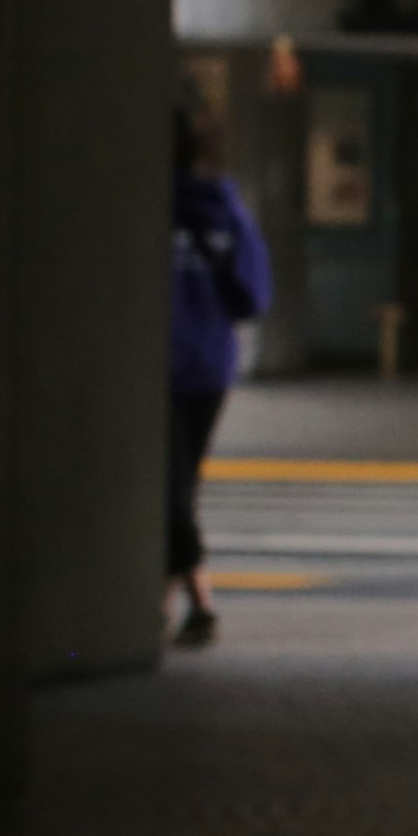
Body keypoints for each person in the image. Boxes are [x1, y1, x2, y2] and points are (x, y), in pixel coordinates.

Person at [169, 102, 269, 648]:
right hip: (208, 363)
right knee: (178, 485)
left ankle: (200, 601)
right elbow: (251, 295)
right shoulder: (225, 211)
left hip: (158, 364)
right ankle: (172, 601)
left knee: (170, 489)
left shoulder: (141, 203)